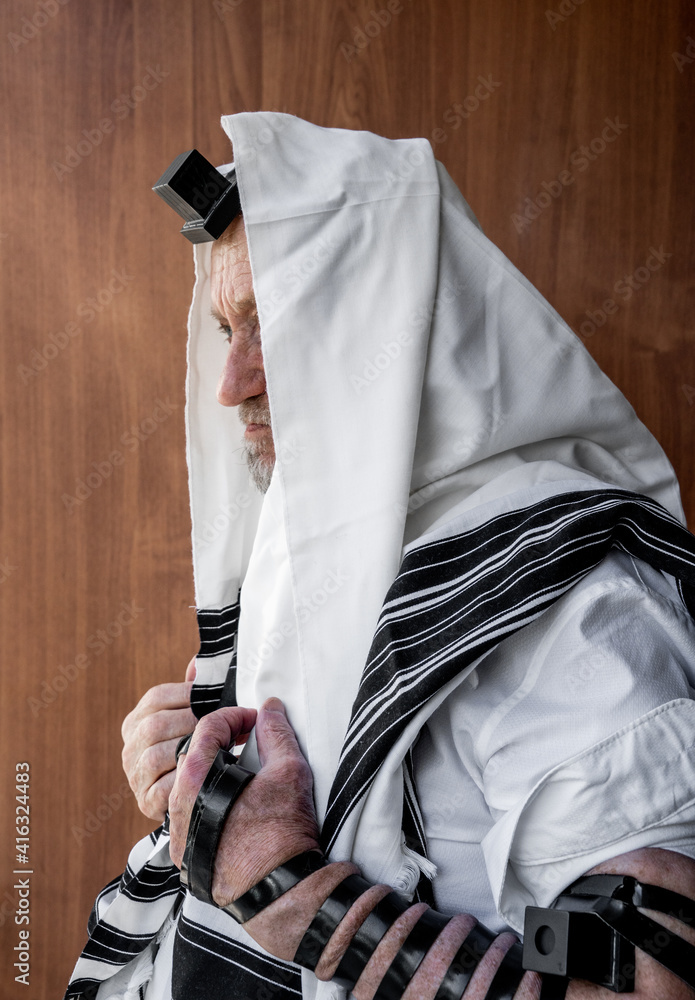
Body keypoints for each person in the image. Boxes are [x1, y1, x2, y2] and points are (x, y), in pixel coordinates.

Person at [65, 113, 695, 1000]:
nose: (229, 383)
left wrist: (295, 894)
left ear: (390, 331)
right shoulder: (332, 540)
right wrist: (192, 788)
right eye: (224, 329)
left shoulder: (575, 614)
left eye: (270, 329)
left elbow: (653, 987)